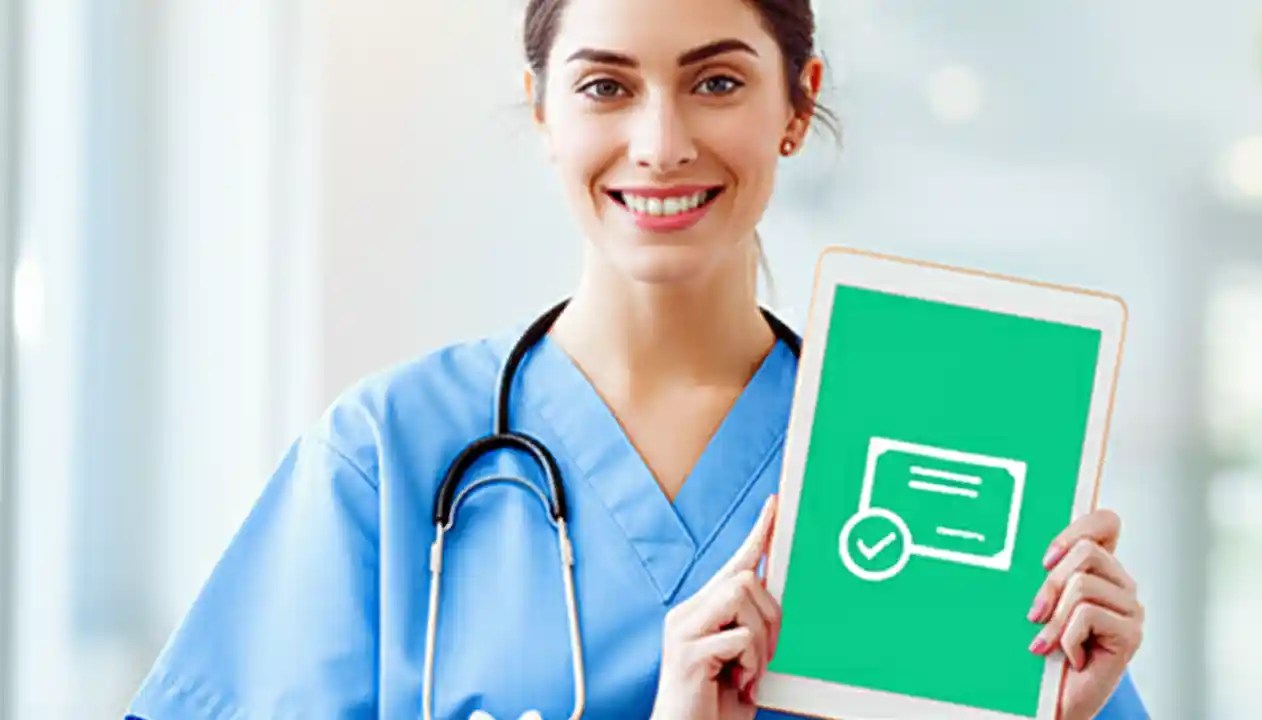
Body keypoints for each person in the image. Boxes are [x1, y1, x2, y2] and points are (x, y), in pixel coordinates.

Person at [125, 0, 1148, 717]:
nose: (660, 142)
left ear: (796, 102)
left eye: (713, 81)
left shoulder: (925, 445)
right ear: (542, 108)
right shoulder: (389, 454)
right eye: (606, 86)